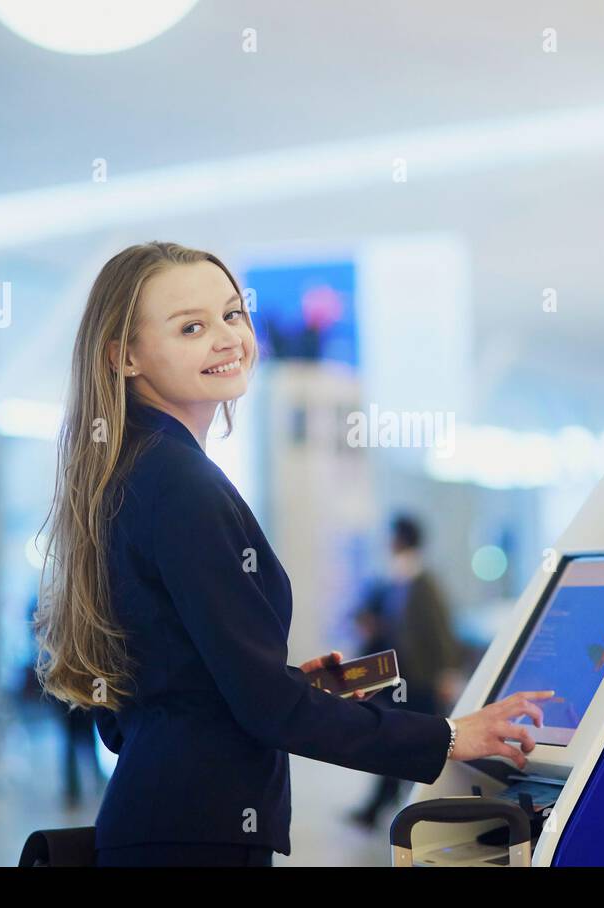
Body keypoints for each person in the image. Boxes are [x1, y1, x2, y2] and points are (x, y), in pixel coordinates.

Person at [33, 241, 552, 867]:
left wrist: (285, 683)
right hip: (200, 838)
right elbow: (266, 712)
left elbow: (132, 711)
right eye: (191, 327)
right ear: (125, 357)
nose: (227, 339)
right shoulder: (182, 486)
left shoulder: (135, 473)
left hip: (160, 822)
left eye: (232, 314)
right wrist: (447, 736)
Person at [349, 514, 464, 829]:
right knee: (397, 741)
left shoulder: (422, 582)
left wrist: (447, 674)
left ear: (401, 538)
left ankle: (415, 811)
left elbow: (439, 632)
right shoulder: (392, 578)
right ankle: (389, 810)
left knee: (415, 745)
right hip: (398, 679)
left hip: (419, 681)